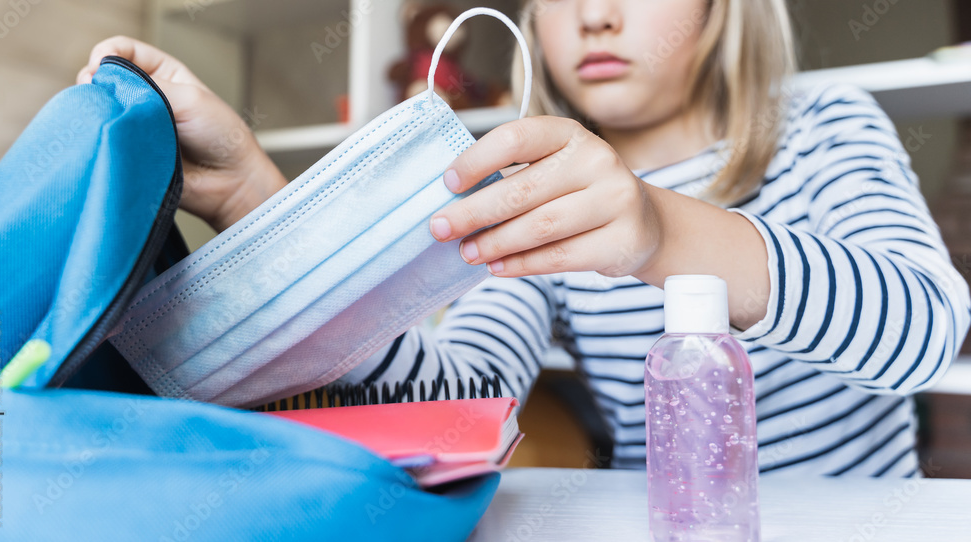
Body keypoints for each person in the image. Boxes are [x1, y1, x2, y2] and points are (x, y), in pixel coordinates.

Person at [78, 0, 970, 477]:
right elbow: (466, 396)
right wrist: (258, 203)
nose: (595, 16)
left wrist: (660, 233)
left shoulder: (823, 125)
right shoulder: (536, 184)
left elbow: (928, 331)